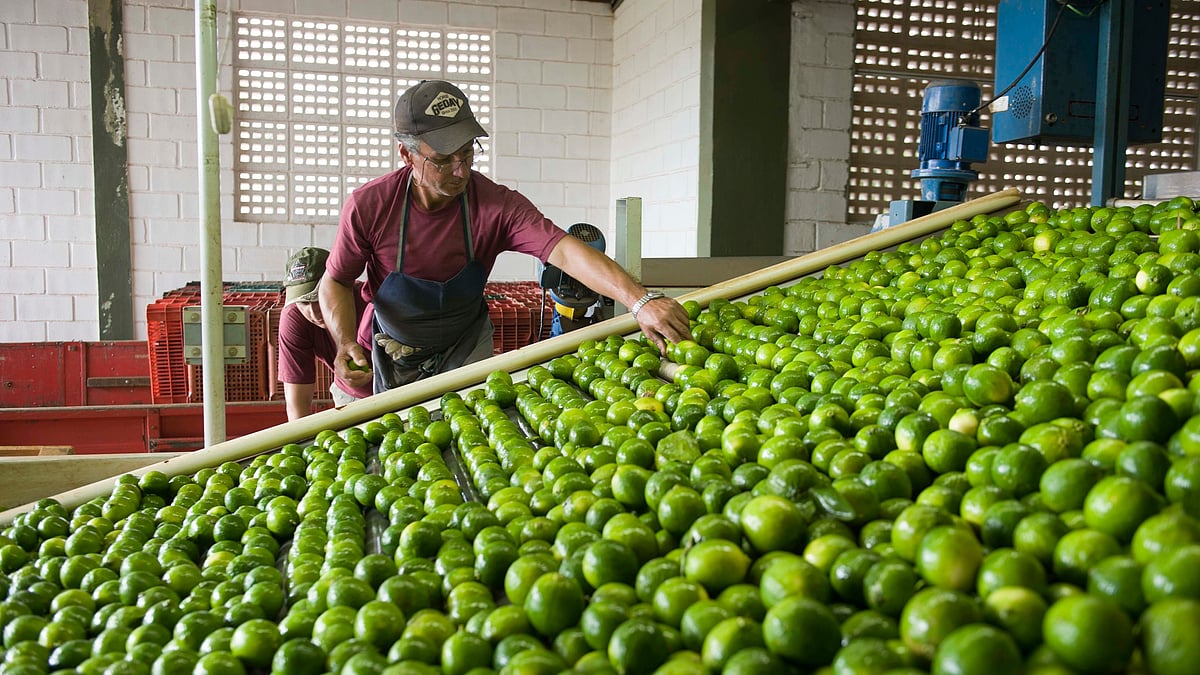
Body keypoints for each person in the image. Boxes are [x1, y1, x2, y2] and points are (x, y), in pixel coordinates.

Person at [320, 79, 692, 394]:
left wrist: (639, 300)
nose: (460, 169)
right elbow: (335, 280)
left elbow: (564, 250)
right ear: (407, 154)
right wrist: (345, 341)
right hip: (390, 353)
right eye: (444, 158)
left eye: (468, 153)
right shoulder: (370, 206)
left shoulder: (496, 205)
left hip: (465, 349)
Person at [277, 247, 374, 419]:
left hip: (400, 388)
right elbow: (297, 406)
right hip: (350, 394)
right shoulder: (294, 318)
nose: (313, 313)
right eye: (304, 303)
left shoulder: (368, 302)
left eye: (318, 298)